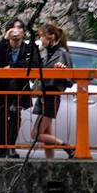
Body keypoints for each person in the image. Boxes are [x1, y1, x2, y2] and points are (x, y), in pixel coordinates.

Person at [0, 19, 36, 158]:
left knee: (15, 119)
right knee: (0, 121)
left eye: (19, 27)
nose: (16, 31)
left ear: (23, 32)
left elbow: (33, 66)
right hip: (0, 90)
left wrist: (13, 68)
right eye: (13, 28)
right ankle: (2, 151)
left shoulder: (30, 48)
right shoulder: (3, 47)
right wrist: (4, 40)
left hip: (19, 91)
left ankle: (11, 147)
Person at [31, 22, 75, 158]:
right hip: (44, 95)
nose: (41, 40)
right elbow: (35, 73)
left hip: (51, 95)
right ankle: (50, 161)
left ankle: (68, 147)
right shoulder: (45, 53)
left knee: (36, 134)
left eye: (42, 37)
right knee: (46, 132)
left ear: (51, 36)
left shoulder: (62, 54)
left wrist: (63, 71)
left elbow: (71, 79)